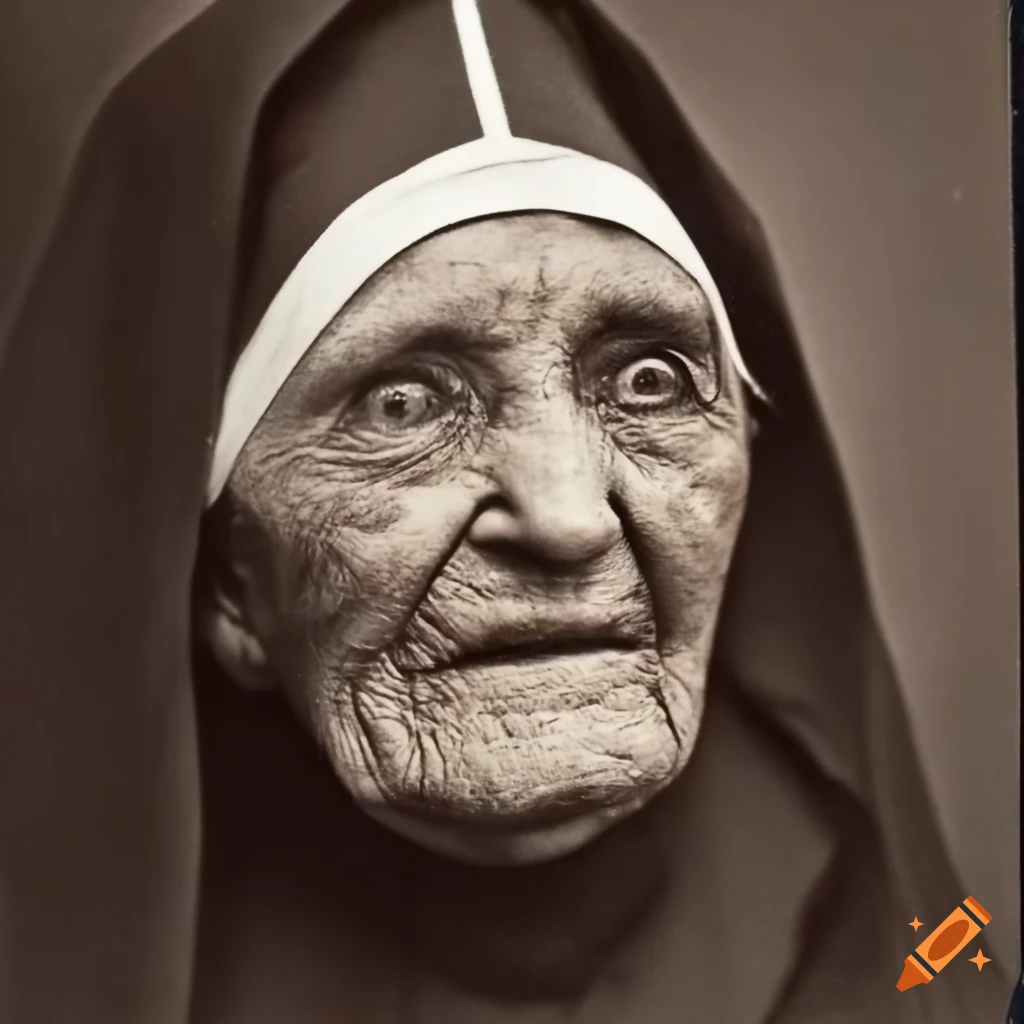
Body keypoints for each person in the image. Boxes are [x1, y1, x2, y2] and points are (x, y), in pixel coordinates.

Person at [0, 1, 1011, 1022]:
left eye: (650, 383)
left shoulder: (915, 964)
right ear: (222, 574)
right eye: (403, 404)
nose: (569, 520)